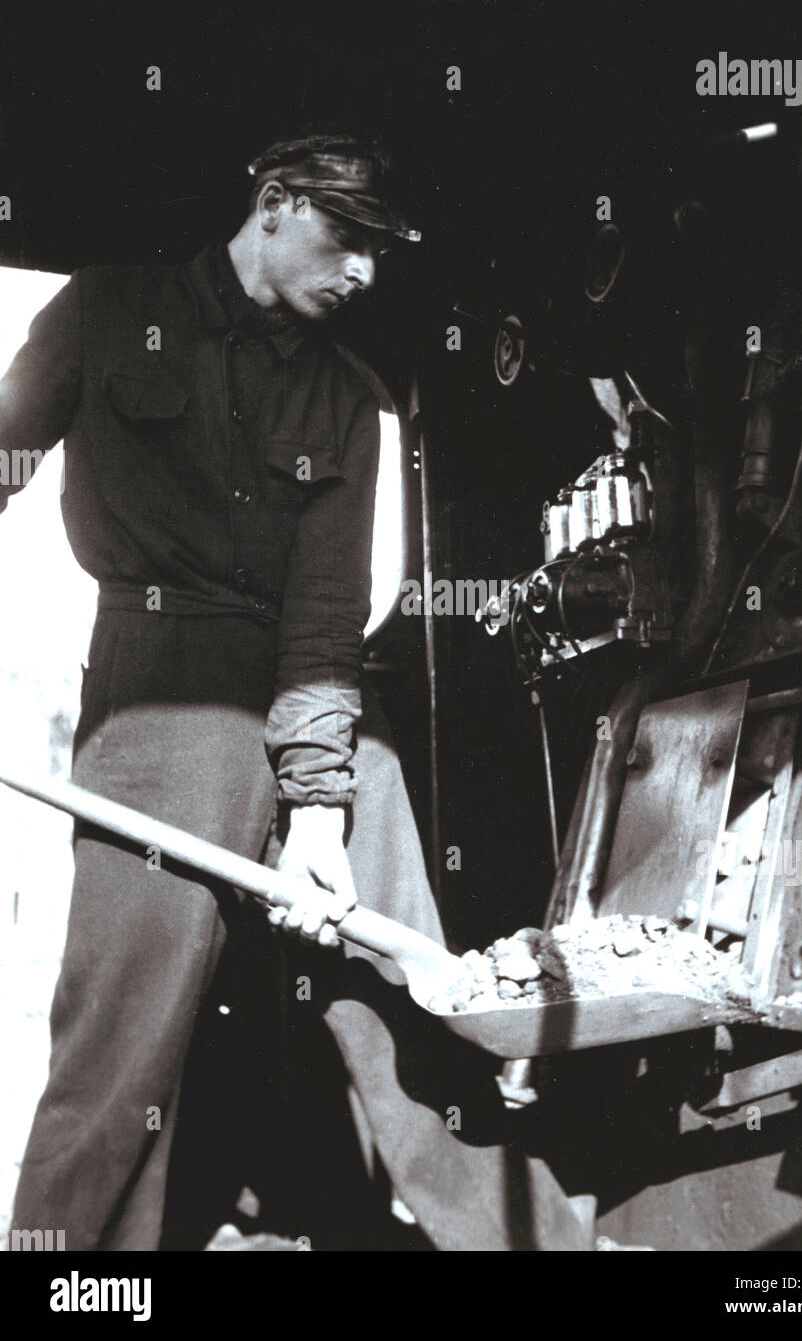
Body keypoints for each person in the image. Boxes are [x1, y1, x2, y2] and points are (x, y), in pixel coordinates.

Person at [5, 133, 593, 1250]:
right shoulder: (101, 311)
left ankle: (536, 1250)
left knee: (418, 1001)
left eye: (380, 252)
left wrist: (321, 805)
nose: (364, 273)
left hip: (312, 703)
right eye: (348, 240)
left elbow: (326, 615)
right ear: (273, 205)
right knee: (123, 1040)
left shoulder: (344, 394)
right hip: (158, 708)